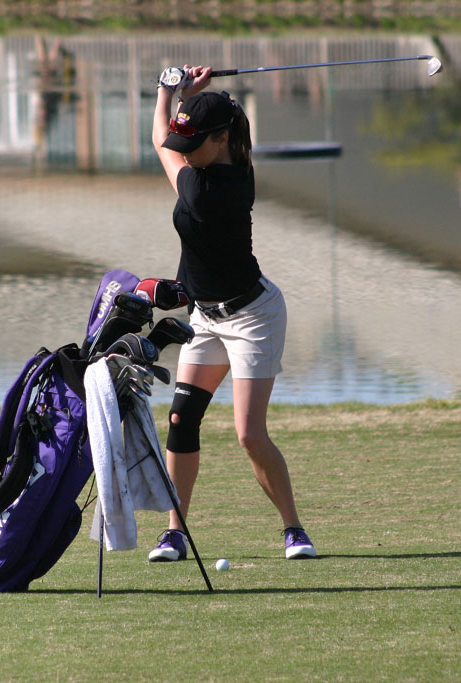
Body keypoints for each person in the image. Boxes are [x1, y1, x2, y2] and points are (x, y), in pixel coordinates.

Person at [148, 64, 316, 562]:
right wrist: (180, 97)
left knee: (248, 433)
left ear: (220, 140)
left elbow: (161, 142)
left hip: (253, 317)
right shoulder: (227, 158)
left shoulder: (210, 188)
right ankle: (175, 532)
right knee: (182, 418)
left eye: (192, 142)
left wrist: (168, 92)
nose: (181, 150)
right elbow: (169, 136)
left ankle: (294, 529)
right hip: (206, 318)